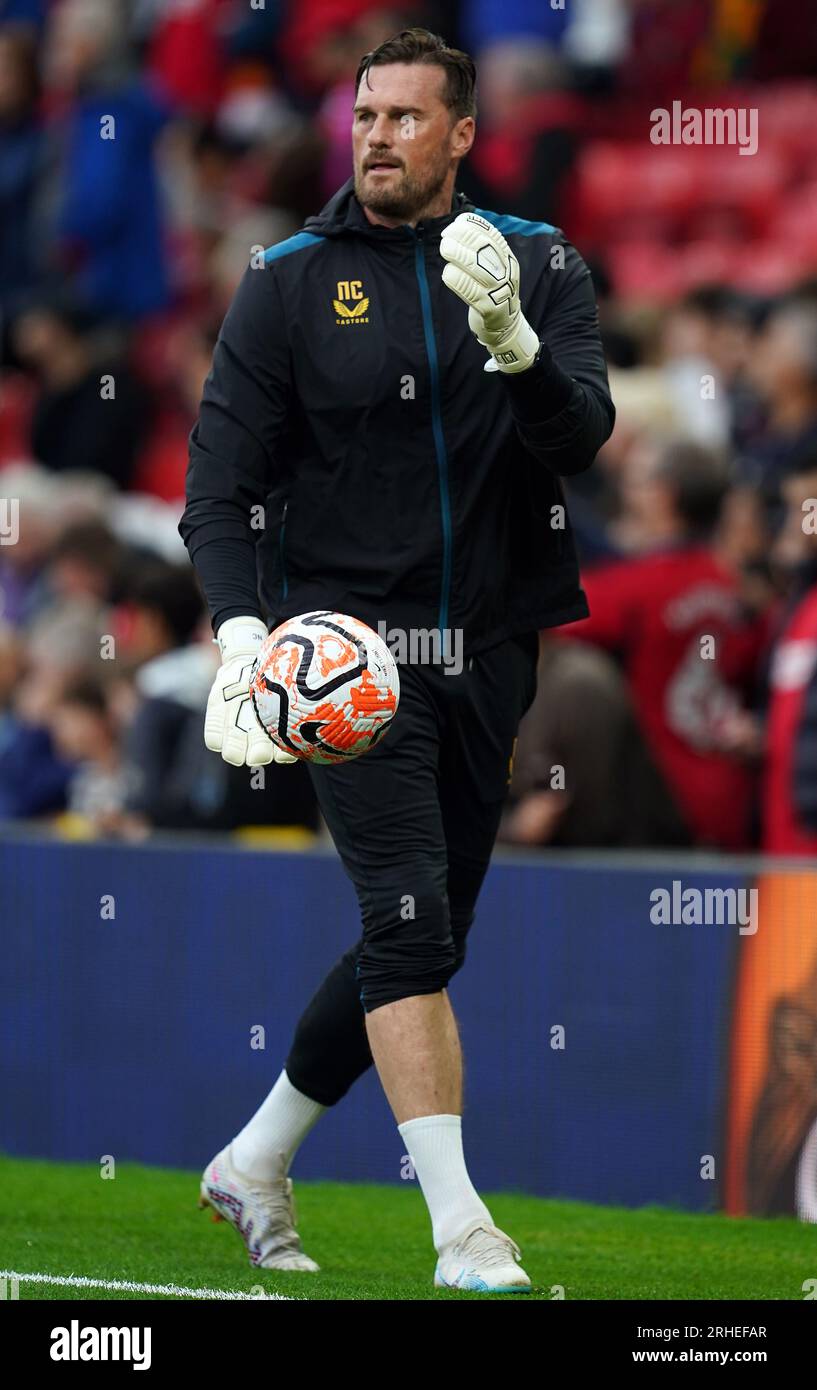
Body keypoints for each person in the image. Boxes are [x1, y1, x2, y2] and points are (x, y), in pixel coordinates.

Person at [179, 26, 614, 1292]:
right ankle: (461, 1229)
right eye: (364, 116)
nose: (376, 137)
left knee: (429, 930)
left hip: (488, 648)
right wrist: (242, 637)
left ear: (462, 134)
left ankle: (255, 1159)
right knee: (406, 920)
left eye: (405, 118)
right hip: (346, 660)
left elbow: (582, 437)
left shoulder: (537, 262)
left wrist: (516, 346)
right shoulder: (289, 276)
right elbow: (218, 486)